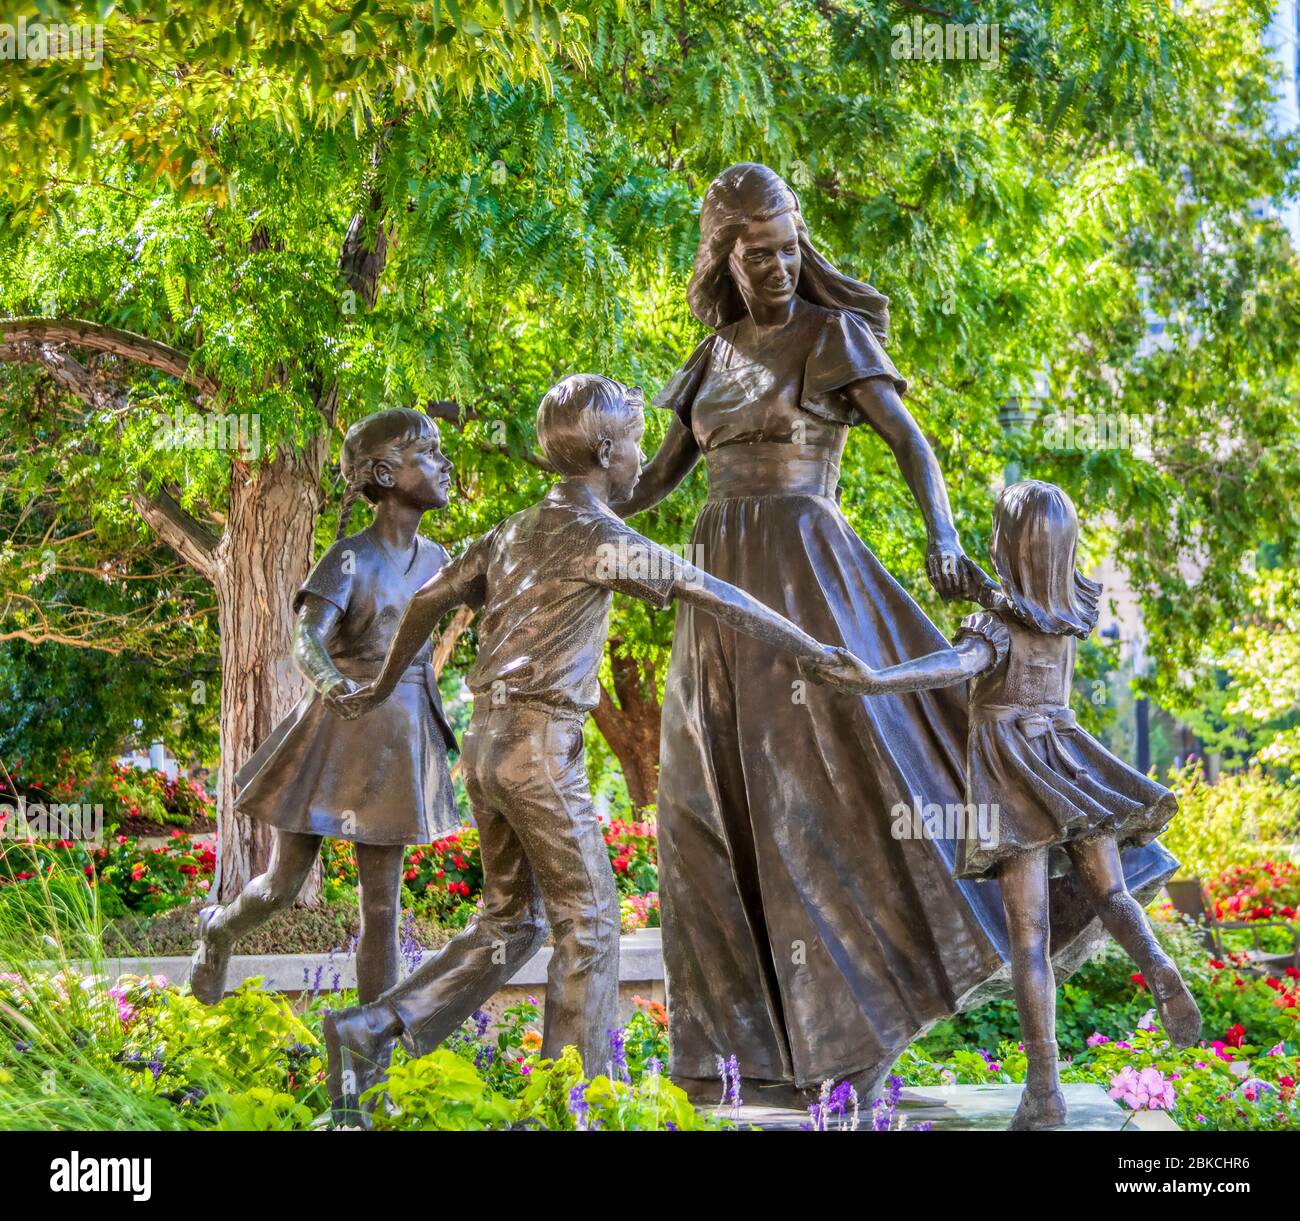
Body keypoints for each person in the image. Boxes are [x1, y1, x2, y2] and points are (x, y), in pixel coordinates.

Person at [616, 162, 1177, 1103]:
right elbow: (649, 486)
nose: (781, 266)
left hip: (810, 583)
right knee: (708, 806)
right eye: (759, 254)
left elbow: (911, 443)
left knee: (843, 791)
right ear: (724, 256)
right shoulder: (711, 362)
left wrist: (943, 537)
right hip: (716, 595)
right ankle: (746, 1056)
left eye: (791, 247)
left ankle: (860, 1028)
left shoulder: (829, 333)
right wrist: (571, 525)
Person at [322, 374, 852, 1122]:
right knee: (591, 921)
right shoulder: (599, 536)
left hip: (485, 743)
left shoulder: (512, 531)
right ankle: (567, 1111)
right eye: (636, 443)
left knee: (510, 922)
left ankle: (371, 1027)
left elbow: (428, 597)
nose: (641, 459)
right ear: (608, 449)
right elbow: (712, 592)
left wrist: (378, 687)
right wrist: (813, 648)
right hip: (538, 744)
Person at [810, 480, 1201, 1129]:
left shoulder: (993, 625)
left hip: (1015, 778)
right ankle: (1157, 965)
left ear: (1005, 545)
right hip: (1069, 762)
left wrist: (876, 678)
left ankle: (1043, 1088)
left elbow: (950, 664)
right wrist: (978, 593)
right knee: (1111, 893)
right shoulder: (1068, 616)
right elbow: (1021, 620)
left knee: (1030, 937)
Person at [188, 409, 461, 1011]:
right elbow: (306, 639)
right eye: (429, 454)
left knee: (382, 908)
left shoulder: (440, 559)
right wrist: (334, 686)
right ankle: (218, 930)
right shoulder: (348, 558)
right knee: (282, 886)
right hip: (337, 730)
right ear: (387, 475)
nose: (445, 464)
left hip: (402, 730)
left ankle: (369, 1057)